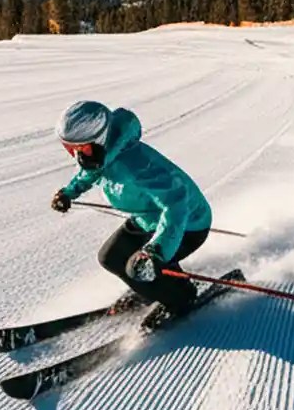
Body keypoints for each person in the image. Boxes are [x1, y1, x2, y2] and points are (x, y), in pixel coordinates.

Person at [50, 100, 213, 322]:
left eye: (83, 149)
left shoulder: (136, 164)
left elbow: (176, 205)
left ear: (99, 139)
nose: (78, 156)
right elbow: (89, 173)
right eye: (71, 149)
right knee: (110, 257)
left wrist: (156, 252)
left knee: (136, 268)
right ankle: (162, 283)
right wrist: (69, 193)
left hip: (187, 225)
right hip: (148, 219)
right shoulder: (102, 154)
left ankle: (181, 298)